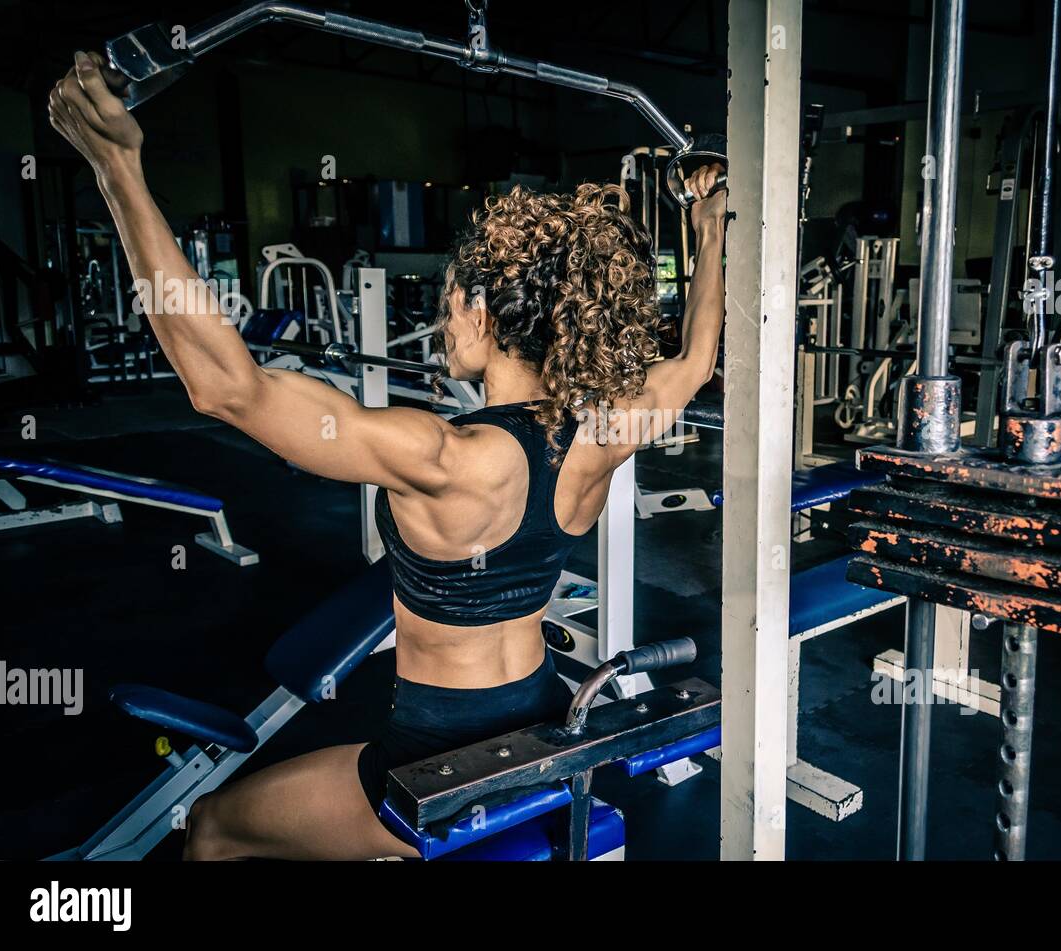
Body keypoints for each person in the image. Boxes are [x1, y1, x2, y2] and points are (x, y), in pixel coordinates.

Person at [48, 51, 727, 859]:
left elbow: (225, 389)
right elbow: (692, 362)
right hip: (550, 731)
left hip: (438, 767)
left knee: (213, 828)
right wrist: (710, 226)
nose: (443, 328)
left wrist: (116, 168)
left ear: (480, 311)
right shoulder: (602, 432)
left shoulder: (440, 452)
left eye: (447, 306)